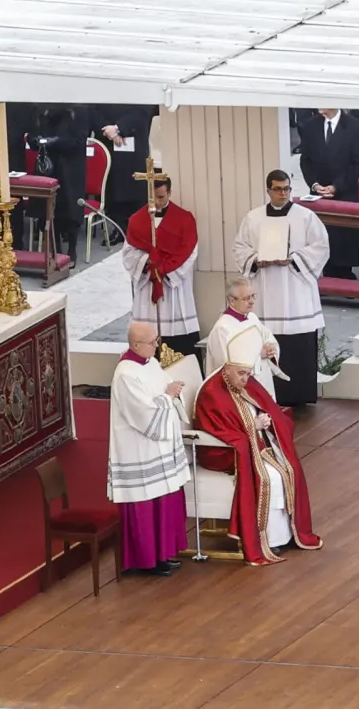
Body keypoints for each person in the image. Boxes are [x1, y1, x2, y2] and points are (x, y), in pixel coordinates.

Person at [194, 321, 323, 566]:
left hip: (256, 443)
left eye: (248, 373)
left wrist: (268, 421)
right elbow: (217, 430)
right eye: (241, 374)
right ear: (227, 369)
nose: (246, 379)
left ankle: (286, 534)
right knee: (270, 477)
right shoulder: (212, 392)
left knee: (289, 469)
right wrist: (254, 427)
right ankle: (266, 538)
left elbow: (269, 408)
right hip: (227, 453)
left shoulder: (244, 380)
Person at [229, 171, 331, 408]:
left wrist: (294, 259)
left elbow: (321, 246)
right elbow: (239, 247)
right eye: (278, 189)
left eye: (286, 189)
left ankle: (299, 395)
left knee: (297, 345)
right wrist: (256, 260)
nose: (283, 193)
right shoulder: (253, 218)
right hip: (265, 291)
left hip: (295, 291)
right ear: (268, 190)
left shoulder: (306, 217)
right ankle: (267, 395)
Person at [106, 323, 191, 578]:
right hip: (139, 449)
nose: (157, 345)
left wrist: (172, 391)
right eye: (152, 342)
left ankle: (163, 554)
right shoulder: (126, 374)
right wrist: (167, 396)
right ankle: (145, 561)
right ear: (135, 345)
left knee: (165, 502)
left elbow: (165, 389)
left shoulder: (149, 362)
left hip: (159, 449)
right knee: (146, 505)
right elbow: (143, 414)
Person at [121, 175, 201, 357]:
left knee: (178, 343)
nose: (156, 202)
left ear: (169, 193)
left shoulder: (184, 219)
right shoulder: (137, 219)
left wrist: (164, 270)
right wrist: (148, 263)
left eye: (161, 197)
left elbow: (190, 251)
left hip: (173, 286)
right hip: (148, 284)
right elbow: (128, 253)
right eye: (153, 197)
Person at [297, 108, 359, 279]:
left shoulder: (355, 126)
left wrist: (337, 186)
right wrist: (314, 184)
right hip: (318, 192)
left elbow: (357, 162)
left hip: (345, 192)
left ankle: (346, 277)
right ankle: (326, 276)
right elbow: (305, 160)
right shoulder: (310, 126)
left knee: (344, 238)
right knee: (322, 237)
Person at [207, 276, 281, 399]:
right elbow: (226, 366)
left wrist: (271, 349)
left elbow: (268, 338)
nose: (252, 301)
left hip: (262, 381)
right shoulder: (222, 328)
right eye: (246, 298)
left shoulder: (252, 318)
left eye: (253, 296)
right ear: (231, 301)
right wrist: (259, 355)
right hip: (237, 392)